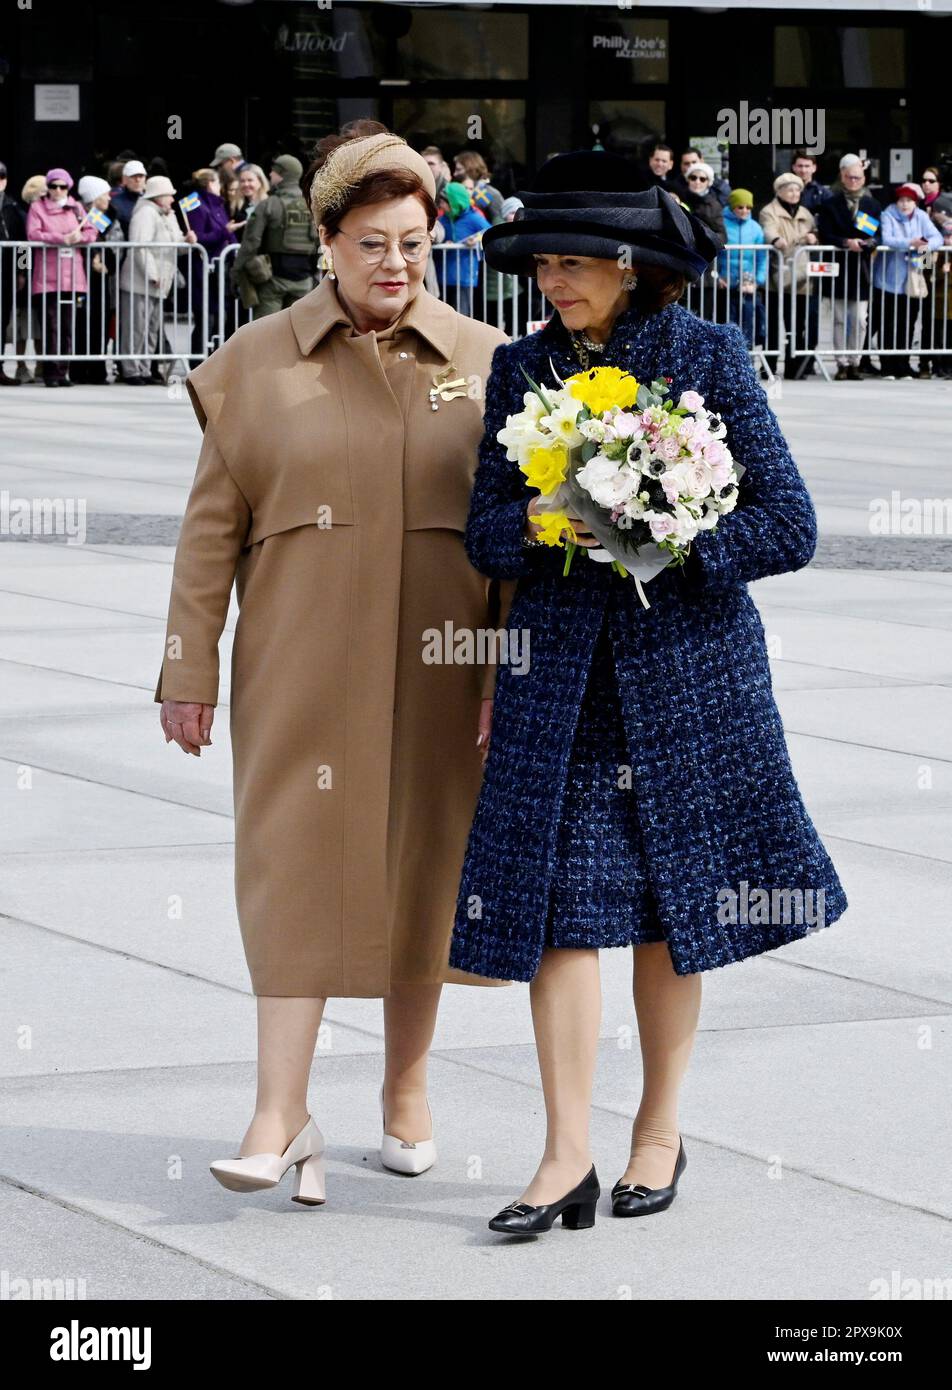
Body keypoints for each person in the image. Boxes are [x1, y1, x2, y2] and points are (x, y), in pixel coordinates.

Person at [445, 158, 848, 1235]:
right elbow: (482, 528)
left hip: (688, 678)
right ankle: (562, 1153)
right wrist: (543, 524)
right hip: (562, 682)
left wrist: (665, 532)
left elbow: (789, 525)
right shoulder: (518, 369)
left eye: (574, 264)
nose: (552, 283)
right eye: (542, 264)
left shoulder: (706, 353)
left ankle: (656, 1134)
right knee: (558, 914)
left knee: (677, 909)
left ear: (634, 267)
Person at [154, 128, 511, 1205]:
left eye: (413, 242)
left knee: (425, 870)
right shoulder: (255, 365)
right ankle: (279, 1111)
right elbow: (210, 530)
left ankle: (406, 1093)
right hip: (299, 664)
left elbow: (520, 538)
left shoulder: (491, 364)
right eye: (370, 243)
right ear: (325, 241)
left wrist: (506, 667)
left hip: (446, 666)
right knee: (293, 870)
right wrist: (187, 664)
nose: (395, 264)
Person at [117, 174, 197, 383]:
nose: (172, 199)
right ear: (158, 196)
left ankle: (144, 368)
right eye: (169, 195)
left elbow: (173, 245)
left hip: (161, 282)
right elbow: (139, 247)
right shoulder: (144, 213)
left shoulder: (167, 214)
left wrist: (186, 241)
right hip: (140, 282)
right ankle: (131, 369)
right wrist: (152, 275)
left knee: (151, 328)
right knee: (136, 327)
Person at [25, 167, 99, 386]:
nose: (58, 190)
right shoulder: (38, 207)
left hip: (73, 275)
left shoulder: (76, 207)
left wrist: (78, 238)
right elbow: (33, 233)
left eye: (62, 186)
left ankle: (63, 371)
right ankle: (50, 372)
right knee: (51, 325)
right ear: (48, 188)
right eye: (53, 186)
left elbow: (92, 232)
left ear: (69, 187)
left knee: (68, 325)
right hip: (48, 276)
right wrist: (61, 238)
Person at [816, 155, 882, 380]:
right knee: (840, 318)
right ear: (842, 177)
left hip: (861, 268)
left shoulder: (871, 204)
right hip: (839, 267)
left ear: (863, 178)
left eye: (858, 177)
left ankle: (855, 360)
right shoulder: (830, 203)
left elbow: (878, 234)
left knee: (860, 319)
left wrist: (870, 243)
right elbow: (825, 233)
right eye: (849, 177)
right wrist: (845, 242)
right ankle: (841, 362)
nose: (854, 181)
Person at [870, 183, 943, 380]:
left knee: (908, 323)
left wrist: (925, 245)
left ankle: (903, 364)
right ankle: (887, 365)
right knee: (888, 322)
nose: (905, 204)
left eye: (909, 201)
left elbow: (936, 238)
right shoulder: (888, 214)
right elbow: (887, 239)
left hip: (912, 280)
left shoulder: (921, 216)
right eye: (901, 200)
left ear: (915, 202)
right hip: (888, 279)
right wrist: (911, 243)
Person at [232, 154, 317, 318]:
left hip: (272, 281)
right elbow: (320, 242)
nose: (270, 174)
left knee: (266, 335)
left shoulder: (268, 205)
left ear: (282, 174)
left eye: (273, 171)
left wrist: (236, 273)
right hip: (304, 280)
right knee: (298, 334)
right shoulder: (311, 206)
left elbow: (251, 243)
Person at [759, 172, 819, 377]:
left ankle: (796, 368)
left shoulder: (805, 213)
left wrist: (813, 237)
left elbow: (815, 231)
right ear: (779, 191)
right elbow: (768, 229)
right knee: (775, 324)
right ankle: (770, 366)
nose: (794, 193)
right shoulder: (770, 211)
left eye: (797, 190)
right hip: (779, 277)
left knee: (799, 323)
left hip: (802, 278)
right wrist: (776, 239)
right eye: (790, 189)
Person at [70, 175, 121, 384]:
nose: (109, 198)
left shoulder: (107, 218)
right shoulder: (76, 214)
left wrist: (107, 262)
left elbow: (116, 246)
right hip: (80, 279)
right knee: (81, 324)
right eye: (105, 195)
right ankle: (79, 370)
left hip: (102, 282)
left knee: (99, 323)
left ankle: (98, 370)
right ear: (94, 197)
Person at [185, 167, 237, 360]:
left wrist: (234, 244)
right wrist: (225, 232)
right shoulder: (196, 204)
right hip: (203, 269)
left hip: (220, 270)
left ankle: (213, 359)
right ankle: (198, 360)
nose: (220, 187)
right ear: (210, 184)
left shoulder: (218, 204)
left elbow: (226, 231)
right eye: (217, 182)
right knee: (205, 317)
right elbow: (199, 237)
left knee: (218, 315)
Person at [717, 188, 767, 349]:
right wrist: (716, 276)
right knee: (725, 324)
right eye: (740, 207)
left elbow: (762, 257)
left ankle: (747, 359)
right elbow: (714, 254)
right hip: (726, 283)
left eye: (748, 207)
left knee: (748, 325)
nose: (744, 210)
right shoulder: (722, 223)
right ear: (732, 207)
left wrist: (758, 281)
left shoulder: (755, 228)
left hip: (747, 285)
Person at [436, 180, 490, 316]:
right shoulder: (443, 219)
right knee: (444, 314)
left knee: (462, 314)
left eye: (444, 201)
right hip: (443, 276)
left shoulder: (473, 217)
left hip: (465, 275)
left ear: (454, 201)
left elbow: (491, 232)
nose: (441, 205)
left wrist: (477, 240)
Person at [918, 168, 952, 378]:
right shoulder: (918, 204)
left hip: (944, 258)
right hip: (926, 256)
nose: (927, 184)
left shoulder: (944, 203)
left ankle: (943, 361)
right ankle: (925, 362)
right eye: (924, 180)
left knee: (943, 315)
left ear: (939, 183)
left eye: (931, 180)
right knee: (927, 312)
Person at [0, 160, 28, 385]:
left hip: (6, 274)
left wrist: (22, 271)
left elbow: (23, 244)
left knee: (2, 320)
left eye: (2, 176)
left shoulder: (12, 207)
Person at [109, 159, 147, 236]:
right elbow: (101, 229)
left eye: (141, 176)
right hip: (126, 246)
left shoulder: (152, 200)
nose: (138, 180)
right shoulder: (113, 202)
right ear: (124, 179)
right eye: (133, 176)